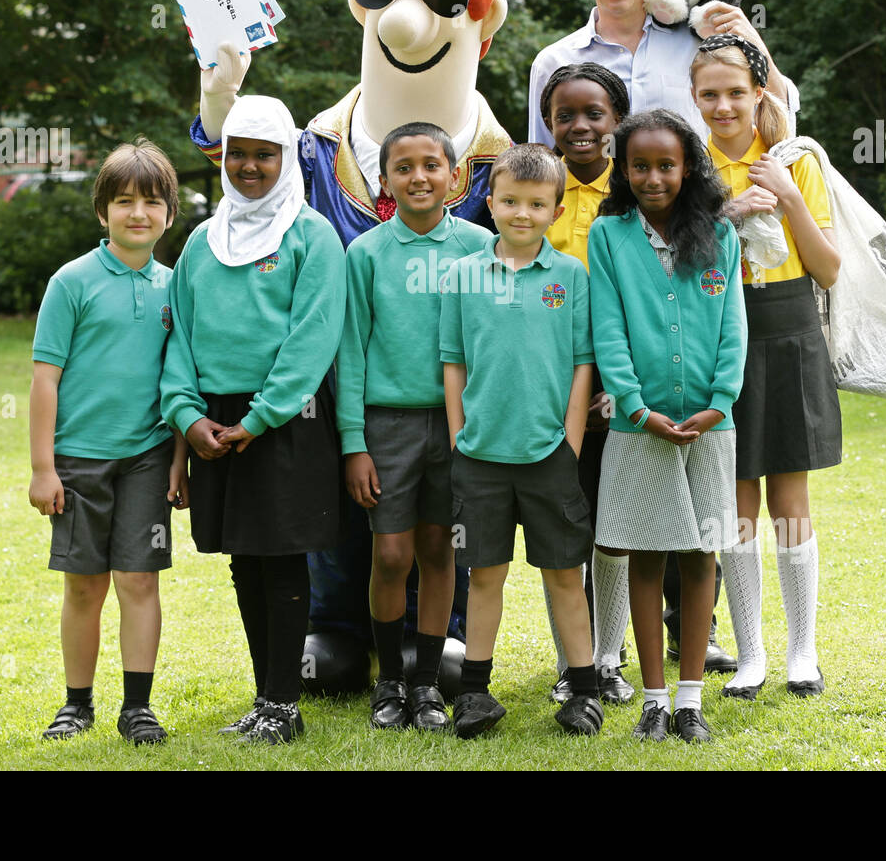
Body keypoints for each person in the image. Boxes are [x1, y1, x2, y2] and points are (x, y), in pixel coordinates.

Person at [188, 0, 518, 674]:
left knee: (442, 512)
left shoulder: (498, 167)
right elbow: (245, 177)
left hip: (448, 386)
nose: (409, 14)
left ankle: (431, 632)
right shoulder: (313, 149)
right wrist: (220, 97)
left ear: (482, 6)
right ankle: (336, 621)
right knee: (335, 500)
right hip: (334, 380)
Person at [528, 0, 800, 671]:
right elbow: (540, 168)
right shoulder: (555, 61)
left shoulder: (691, 37)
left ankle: (695, 632)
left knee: (693, 465)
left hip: (694, 278)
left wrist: (750, 40)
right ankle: (596, 646)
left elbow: (773, 108)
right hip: (596, 284)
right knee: (605, 474)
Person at [160, 95, 346, 743]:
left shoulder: (311, 235)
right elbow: (178, 335)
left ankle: (284, 707)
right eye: (237, 153)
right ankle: (266, 697)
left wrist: (260, 418)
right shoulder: (204, 241)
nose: (249, 166)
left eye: (264, 154)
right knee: (244, 557)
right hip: (213, 421)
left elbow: (312, 338)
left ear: (287, 157)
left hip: (285, 419)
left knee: (283, 556)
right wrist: (187, 416)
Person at [690, 34, 840, 700]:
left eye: (735, 93)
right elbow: (676, 264)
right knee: (733, 503)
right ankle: (750, 657)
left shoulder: (794, 161)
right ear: (694, 101)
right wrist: (726, 214)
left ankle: (801, 653)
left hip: (789, 329)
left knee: (790, 500)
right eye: (709, 95)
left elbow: (830, 268)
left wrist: (787, 198)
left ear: (759, 94)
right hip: (722, 335)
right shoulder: (687, 171)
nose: (724, 106)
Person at [589, 109, 746, 742]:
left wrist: (720, 400)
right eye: (640, 167)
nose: (654, 178)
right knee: (647, 556)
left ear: (688, 167)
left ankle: (689, 701)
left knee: (700, 552)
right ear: (623, 172)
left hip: (711, 425)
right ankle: (653, 700)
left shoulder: (720, 237)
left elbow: (734, 326)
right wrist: (636, 408)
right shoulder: (609, 236)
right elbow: (608, 329)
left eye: (667, 166)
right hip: (639, 427)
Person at [440, 144, 602, 739]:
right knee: (484, 575)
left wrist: (572, 443)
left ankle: (583, 690)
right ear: (491, 202)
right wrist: (460, 438)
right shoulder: (462, 275)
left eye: (537, 204)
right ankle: (476, 693)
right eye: (510, 201)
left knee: (564, 573)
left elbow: (584, 363)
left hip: (549, 455)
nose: (522, 214)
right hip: (480, 457)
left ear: (557, 210)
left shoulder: (571, 276)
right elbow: (452, 362)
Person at [29, 138, 185, 745]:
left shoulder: (178, 287)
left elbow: (181, 384)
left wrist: (178, 461)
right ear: (103, 212)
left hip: (147, 459)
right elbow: (46, 380)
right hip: (77, 462)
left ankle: (138, 707)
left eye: (151, 203)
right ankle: (77, 703)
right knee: (85, 585)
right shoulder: (72, 283)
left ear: (170, 214)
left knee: (139, 580)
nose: (138, 214)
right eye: (124, 202)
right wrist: (44, 468)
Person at [337, 122, 490, 732]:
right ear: (384, 180)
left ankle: (427, 682)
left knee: (439, 550)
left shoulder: (481, 248)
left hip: (457, 427)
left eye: (432, 165)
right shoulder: (366, 254)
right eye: (404, 167)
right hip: (387, 425)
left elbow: (491, 343)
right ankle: (389, 682)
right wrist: (353, 443)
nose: (419, 176)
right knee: (392, 552)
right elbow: (349, 352)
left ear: (455, 177)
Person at [537, 62, 635, 705]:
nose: (579, 126)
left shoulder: (635, 192)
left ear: (616, 121)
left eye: (593, 113)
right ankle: (571, 660)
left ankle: (610, 659)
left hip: (623, 378)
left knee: (615, 526)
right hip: (549, 381)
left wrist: (617, 384)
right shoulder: (533, 189)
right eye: (564, 115)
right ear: (547, 124)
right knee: (559, 526)